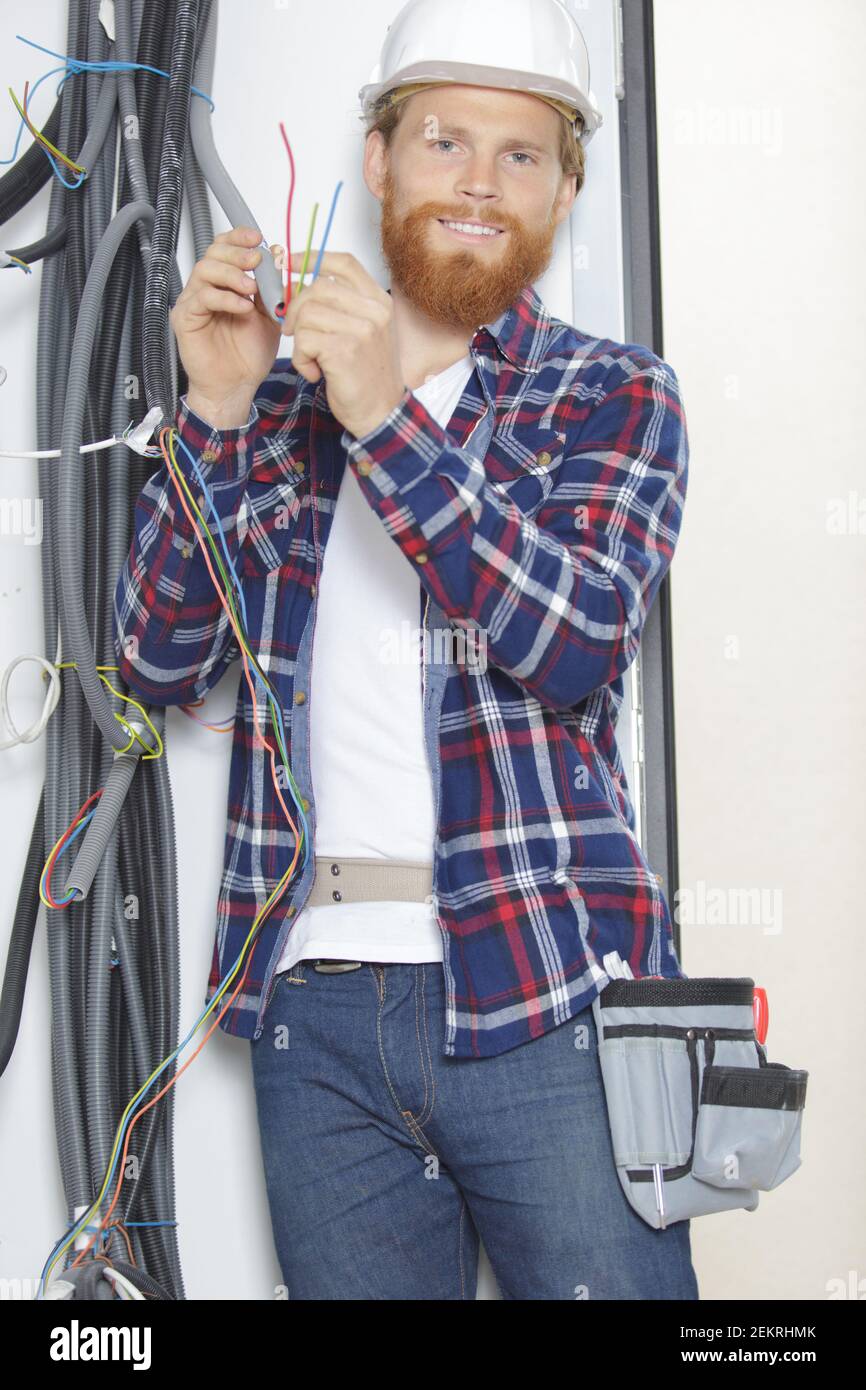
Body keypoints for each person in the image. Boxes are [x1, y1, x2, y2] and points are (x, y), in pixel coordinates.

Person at [114, 0, 698, 1300]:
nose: (479, 184)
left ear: (563, 188)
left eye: (521, 153)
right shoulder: (271, 413)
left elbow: (573, 639)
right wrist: (211, 412)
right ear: (377, 160)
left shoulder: (610, 395)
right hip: (313, 1007)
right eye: (442, 141)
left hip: (547, 992)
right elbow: (152, 662)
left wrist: (381, 414)